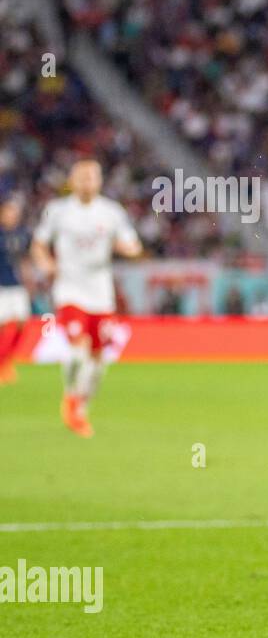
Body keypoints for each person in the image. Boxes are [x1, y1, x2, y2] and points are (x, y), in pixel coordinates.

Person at [30, 160, 143, 436]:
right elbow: (39, 244)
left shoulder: (111, 212)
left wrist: (127, 249)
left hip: (100, 290)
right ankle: (70, 397)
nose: (87, 182)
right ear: (72, 180)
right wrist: (45, 262)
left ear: (100, 181)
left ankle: (80, 407)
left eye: (92, 177)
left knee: (97, 360)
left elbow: (133, 245)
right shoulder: (57, 211)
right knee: (78, 348)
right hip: (69, 286)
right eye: (82, 177)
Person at [0, 197, 31, 384]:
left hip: (17, 286)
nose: (12, 216)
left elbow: (24, 260)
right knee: (4, 326)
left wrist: (29, 279)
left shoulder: (22, 234)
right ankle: (3, 364)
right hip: (1, 286)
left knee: (21, 324)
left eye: (15, 213)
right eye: (9, 212)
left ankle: (6, 361)